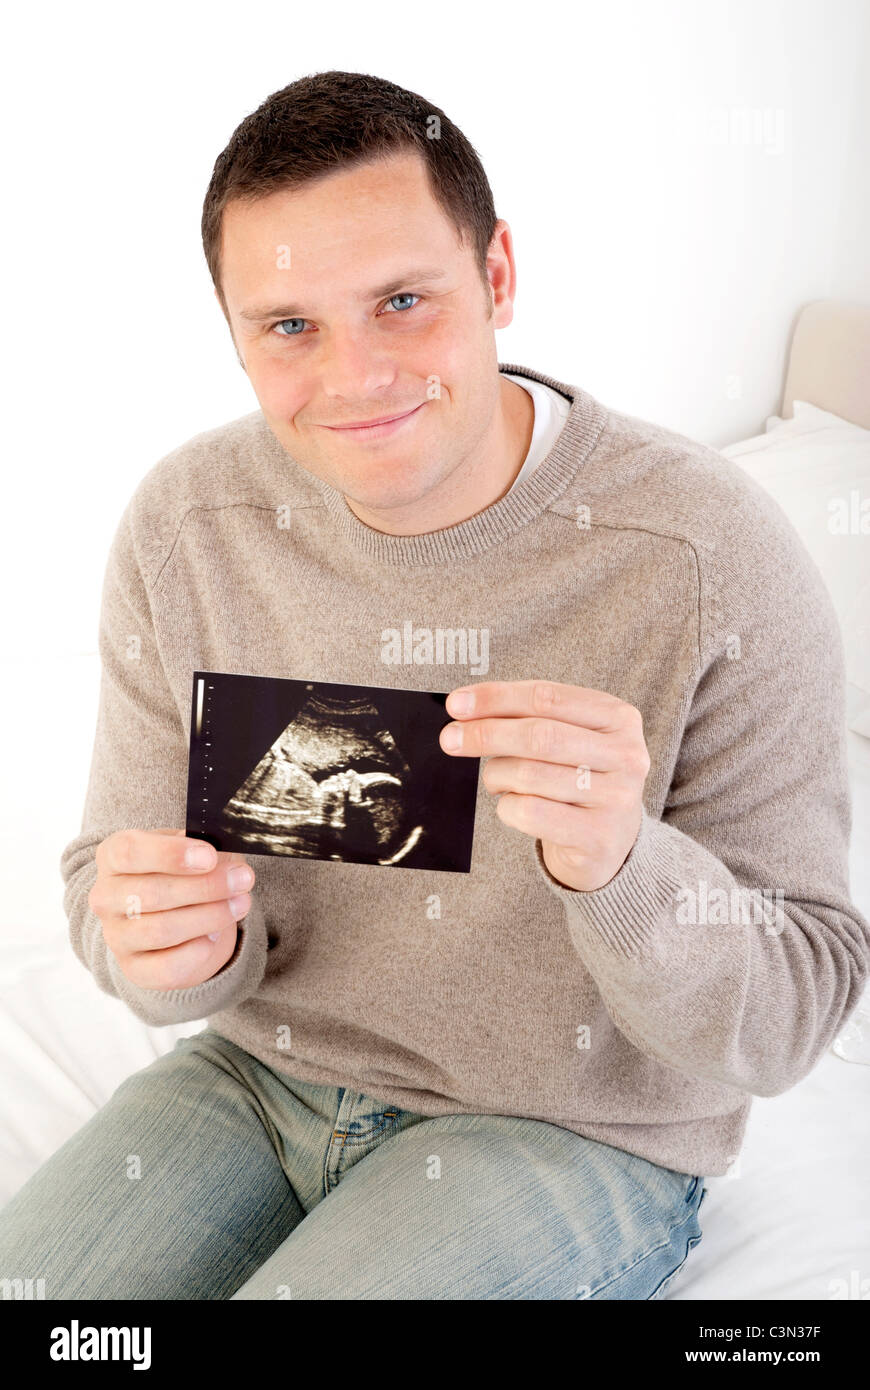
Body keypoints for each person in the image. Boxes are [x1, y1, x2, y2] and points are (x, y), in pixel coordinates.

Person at [1, 69, 867, 1301]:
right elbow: (115, 891)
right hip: (258, 1075)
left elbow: (799, 1008)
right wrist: (167, 945)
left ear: (499, 275)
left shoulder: (710, 556)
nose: (355, 376)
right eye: (290, 326)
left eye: (403, 301)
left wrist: (621, 866)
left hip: (564, 1130)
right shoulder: (187, 526)